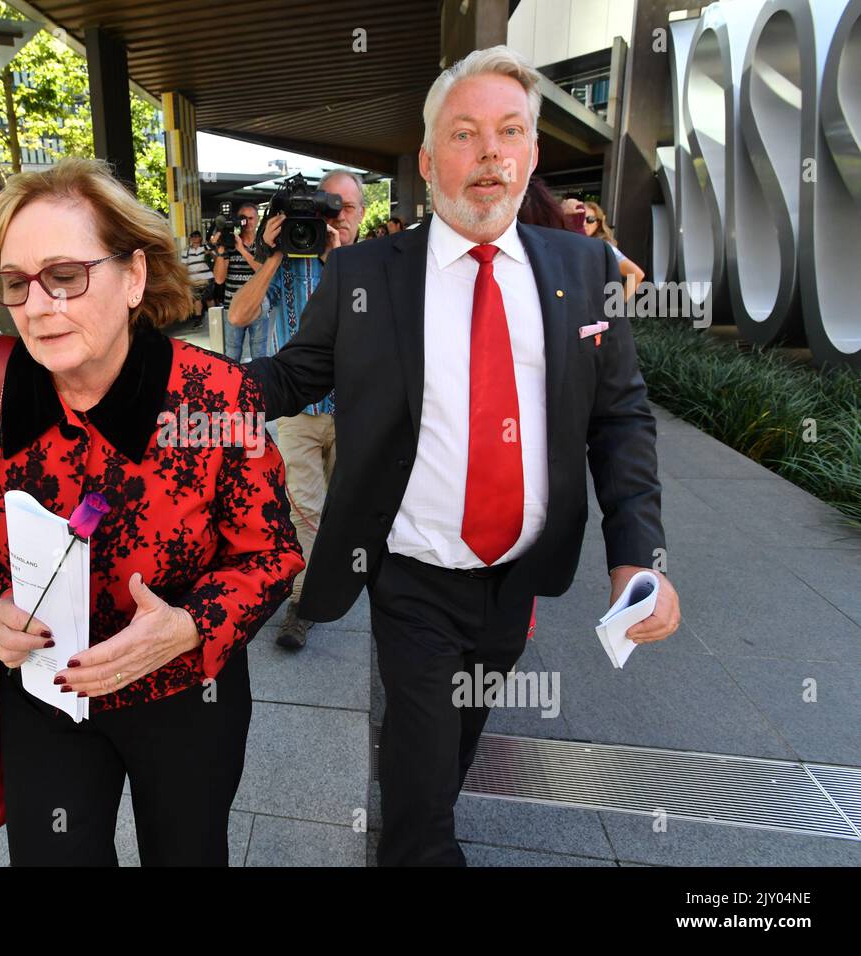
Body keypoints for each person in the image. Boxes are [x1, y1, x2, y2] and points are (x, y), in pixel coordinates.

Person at [245, 46, 682, 866]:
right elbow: (288, 376)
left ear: (533, 154)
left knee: (450, 748)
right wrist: (160, 386)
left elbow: (620, 418)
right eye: (465, 133)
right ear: (426, 158)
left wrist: (635, 557)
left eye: (510, 131)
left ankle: (424, 815)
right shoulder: (363, 272)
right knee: (419, 789)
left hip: (519, 576)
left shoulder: (584, 270)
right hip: (410, 572)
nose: (490, 153)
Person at [0, 157, 303, 866]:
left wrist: (189, 626)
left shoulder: (215, 398)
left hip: (185, 695)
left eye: (66, 275)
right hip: (45, 690)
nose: (38, 305)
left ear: (133, 276)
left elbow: (270, 555)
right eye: (17, 282)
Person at [227, 169, 365, 650]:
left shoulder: (372, 264)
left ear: (361, 213)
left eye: (344, 208)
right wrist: (274, 252)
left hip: (355, 412)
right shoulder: (287, 257)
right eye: (329, 207)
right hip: (299, 413)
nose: (337, 218)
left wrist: (339, 261)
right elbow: (238, 316)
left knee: (345, 509)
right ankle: (302, 607)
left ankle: (332, 584)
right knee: (306, 507)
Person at [211, 201, 267, 362]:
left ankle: (258, 386)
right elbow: (219, 279)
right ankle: (232, 385)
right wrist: (221, 250)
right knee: (232, 354)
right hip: (233, 306)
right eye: (244, 218)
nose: (248, 222)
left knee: (259, 355)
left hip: (258, 306)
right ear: (238, 220)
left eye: (251, 218)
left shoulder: (264, 243)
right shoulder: (229, 243)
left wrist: (241, 249)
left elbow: (262, 271)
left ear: (257, 220)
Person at [582, 199, 646, 298]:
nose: (584, 223)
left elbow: (636, 273)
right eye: (579, 218)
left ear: (598, 223)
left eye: (590, 219)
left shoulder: (602, 246)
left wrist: (619, 305)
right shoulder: (574, 242)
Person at [181, 230, 214, 330]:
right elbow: (183, 266)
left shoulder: (205, 247)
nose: (194, 238)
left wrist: (210, 253)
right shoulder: (186, 251)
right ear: (190, 238)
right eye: (192, 236)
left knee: (209, 298)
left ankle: (215, 319)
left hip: (207, 278)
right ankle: (198, 320)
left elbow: (214, 257)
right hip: (193, 280)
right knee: (197, 299)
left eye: (196, 236)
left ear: (200, 238)